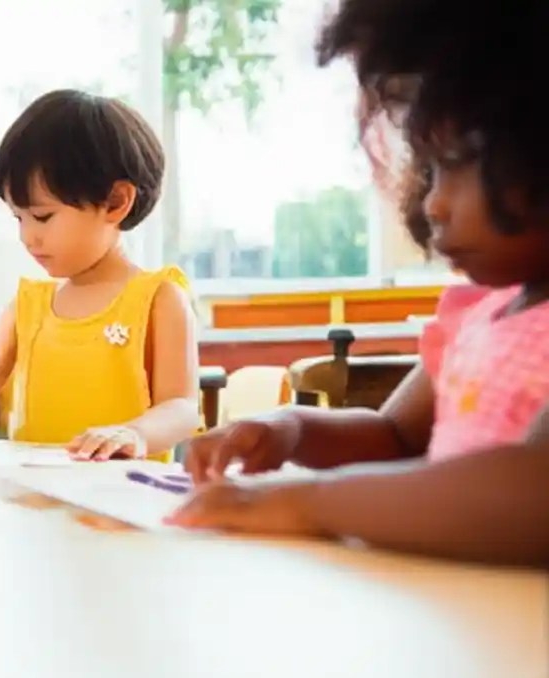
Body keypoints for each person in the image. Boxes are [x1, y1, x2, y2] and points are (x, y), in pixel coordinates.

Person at [170, 0, 549, 567]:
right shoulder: (477, 317)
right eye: (431, 169)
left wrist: (309, 502)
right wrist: (291, 428)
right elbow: (393, 435)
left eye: (458, 162)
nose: (433, 203)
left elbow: (534, 490)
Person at [0, 90, 201, 461]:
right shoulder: (29, 306)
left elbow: (182, 407)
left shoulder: (158, 299)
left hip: (124, 491)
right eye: (18, 218)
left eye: (42, 217)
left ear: (116, 202)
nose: (28, 237)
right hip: (36, 492)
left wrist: (135, 434)